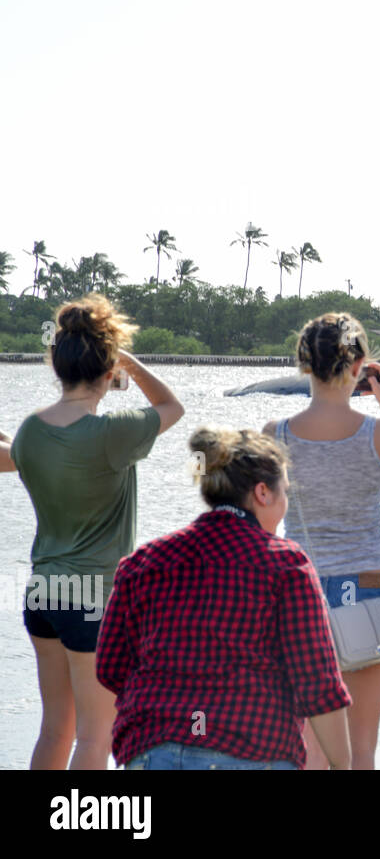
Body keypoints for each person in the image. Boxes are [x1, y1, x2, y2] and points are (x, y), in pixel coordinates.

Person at [95, 427, 352, 770]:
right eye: (284, 493)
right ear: (263, 492)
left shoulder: (142, 562)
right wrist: (344, 763)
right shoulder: (285, 563)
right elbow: (318, 682)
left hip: (152, 749)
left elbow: (111, 667)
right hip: (251, 750)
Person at [0, 294, 184, 769]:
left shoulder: (29, 432)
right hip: (93, 599)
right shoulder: (113, 434)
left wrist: (111, 365)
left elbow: (12, 452)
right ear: (108, 370)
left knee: (55, 728)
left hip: (42, 593)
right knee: (96, 735)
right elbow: (172, 406)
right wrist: (134, 366)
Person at [263, 312, 380, 770]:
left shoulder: (275, 435)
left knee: (310, 750)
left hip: (302, 593)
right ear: (360, 365)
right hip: (370, 587)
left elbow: (262, 519)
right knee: (360, 749)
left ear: (304, 364)